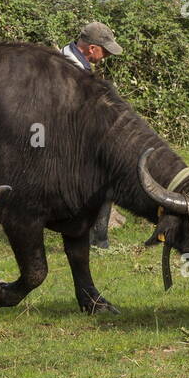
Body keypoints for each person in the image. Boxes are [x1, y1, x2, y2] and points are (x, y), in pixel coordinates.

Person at [61, 22, 124, 248]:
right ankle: (98, 241)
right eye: (105, 51)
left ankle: (93, 238)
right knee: (103, 180)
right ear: (91, 49)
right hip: (65, 142)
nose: (106, 56)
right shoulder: (71, 71)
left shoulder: (70, 59)